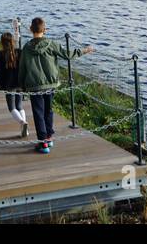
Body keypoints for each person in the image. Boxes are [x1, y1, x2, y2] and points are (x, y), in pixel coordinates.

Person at [17, 17, 93, 154]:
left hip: (34, 86)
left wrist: (22, 86)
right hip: (50, 84)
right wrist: (84, 50)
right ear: (45, 30)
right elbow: (67, 55)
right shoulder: (51, 44)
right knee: (48, 110)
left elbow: (22, 68)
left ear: (30, 29)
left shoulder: (27, 48)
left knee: (38, 113)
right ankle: (48, 136)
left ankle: (43, 143)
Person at [0, 31, 28, 138]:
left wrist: (0, 86)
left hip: (8, 85)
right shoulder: (20, 52)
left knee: (12, 108)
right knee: (20, 106)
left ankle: (22, 123)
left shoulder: (0, 54)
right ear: (13, 41)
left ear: (2, 43)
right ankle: (25, 128)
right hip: (19, 83)